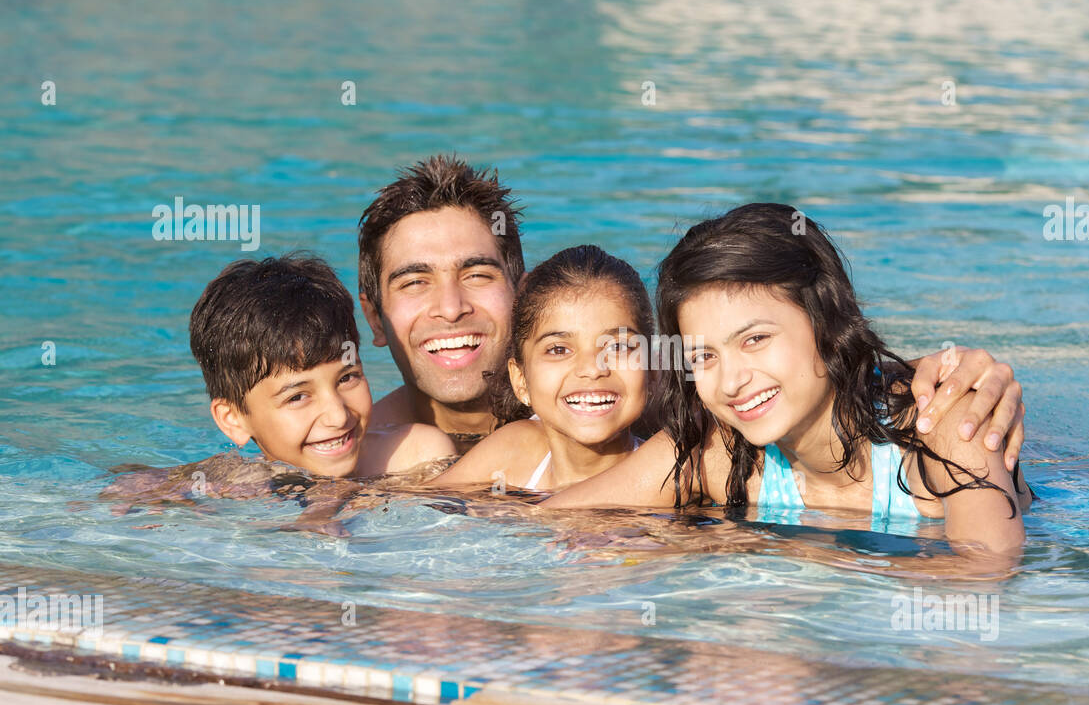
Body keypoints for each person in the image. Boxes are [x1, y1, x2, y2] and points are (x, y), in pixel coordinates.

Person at [356, 156, 1028, 465]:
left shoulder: (635, 393)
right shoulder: (361, 450)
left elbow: (794, 370)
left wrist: (944, 375)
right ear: (375, 316)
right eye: (414, 283)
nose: (451, 308)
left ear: (522, 287)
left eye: (476, 274)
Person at [543, 204, 1030, 562]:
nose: (732, 381)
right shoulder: (722, 455)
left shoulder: (944, 424)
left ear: (825, 322)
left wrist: (802, 553)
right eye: (703, 355)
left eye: (755, 339)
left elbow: (985, 573)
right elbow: (553, 521)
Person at [104, 255, 456, 511]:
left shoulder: (416, 455)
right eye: (298, 397)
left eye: (347, 378)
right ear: (233, 420)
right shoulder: (241, 476)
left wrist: (335, 498)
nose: (337, 415)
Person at [431, 245, 652, 491]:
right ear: (521, 381)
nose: (592, 368)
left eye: (617, 347)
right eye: (558, 350)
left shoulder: (670, 478)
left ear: (652, 368)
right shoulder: (515, 451)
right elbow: (421, 508)